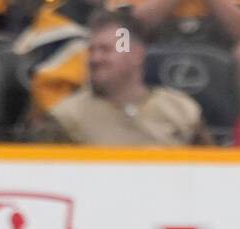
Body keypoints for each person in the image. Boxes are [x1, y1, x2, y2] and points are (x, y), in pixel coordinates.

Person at [33, 9, 209, 145]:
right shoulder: (67, 117)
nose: (95, 58)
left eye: (105, 50)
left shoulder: (181, 111)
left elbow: (212, 171)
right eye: (92, 50)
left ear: (137, 55)